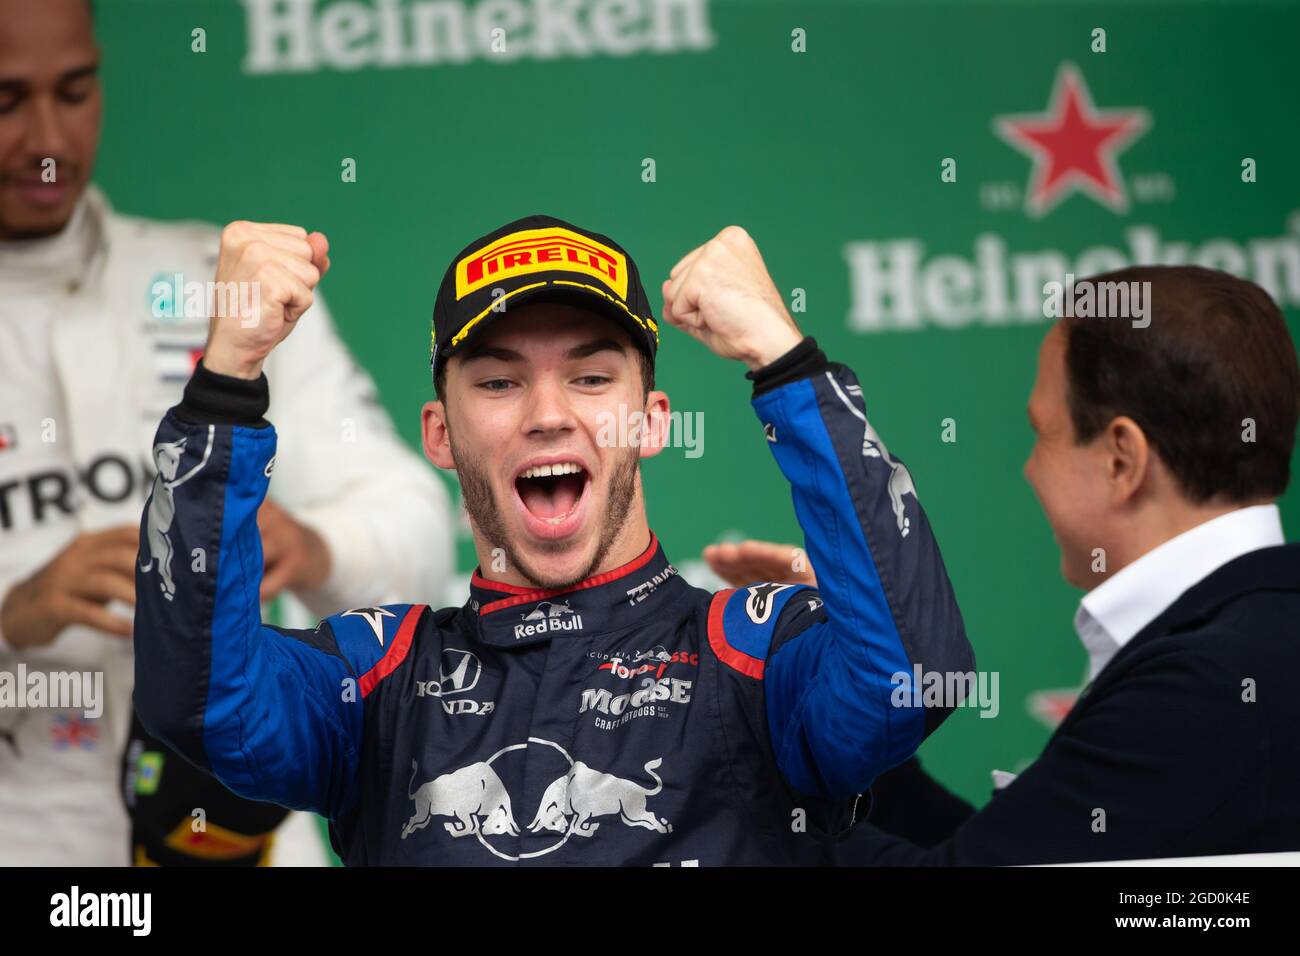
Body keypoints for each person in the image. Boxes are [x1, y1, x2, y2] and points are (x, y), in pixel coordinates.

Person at [131, 214, 975, 865]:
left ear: (652, 422)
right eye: (500, 382)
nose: (547, 414)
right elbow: (202, 702)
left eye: (591, 377)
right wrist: (227, 381)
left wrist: (784, 360)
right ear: (440, 434)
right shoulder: (379, 675)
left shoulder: (748, 654)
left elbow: (910, 681)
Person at [0, 0, 453, 865]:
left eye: (76, 89)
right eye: (6, 102)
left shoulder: (219, 279)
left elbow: (417, 535)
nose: (47, 139)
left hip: (250, 840)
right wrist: (13, 615)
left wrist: (313, 546)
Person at [710, 266, 1300, 864]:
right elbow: (999, 850)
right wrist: (852, 666)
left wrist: (730, 781)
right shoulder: (1249, 646)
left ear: (1122, 460)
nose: (1029, 469)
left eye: (1043, 434)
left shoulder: (1206, 684)